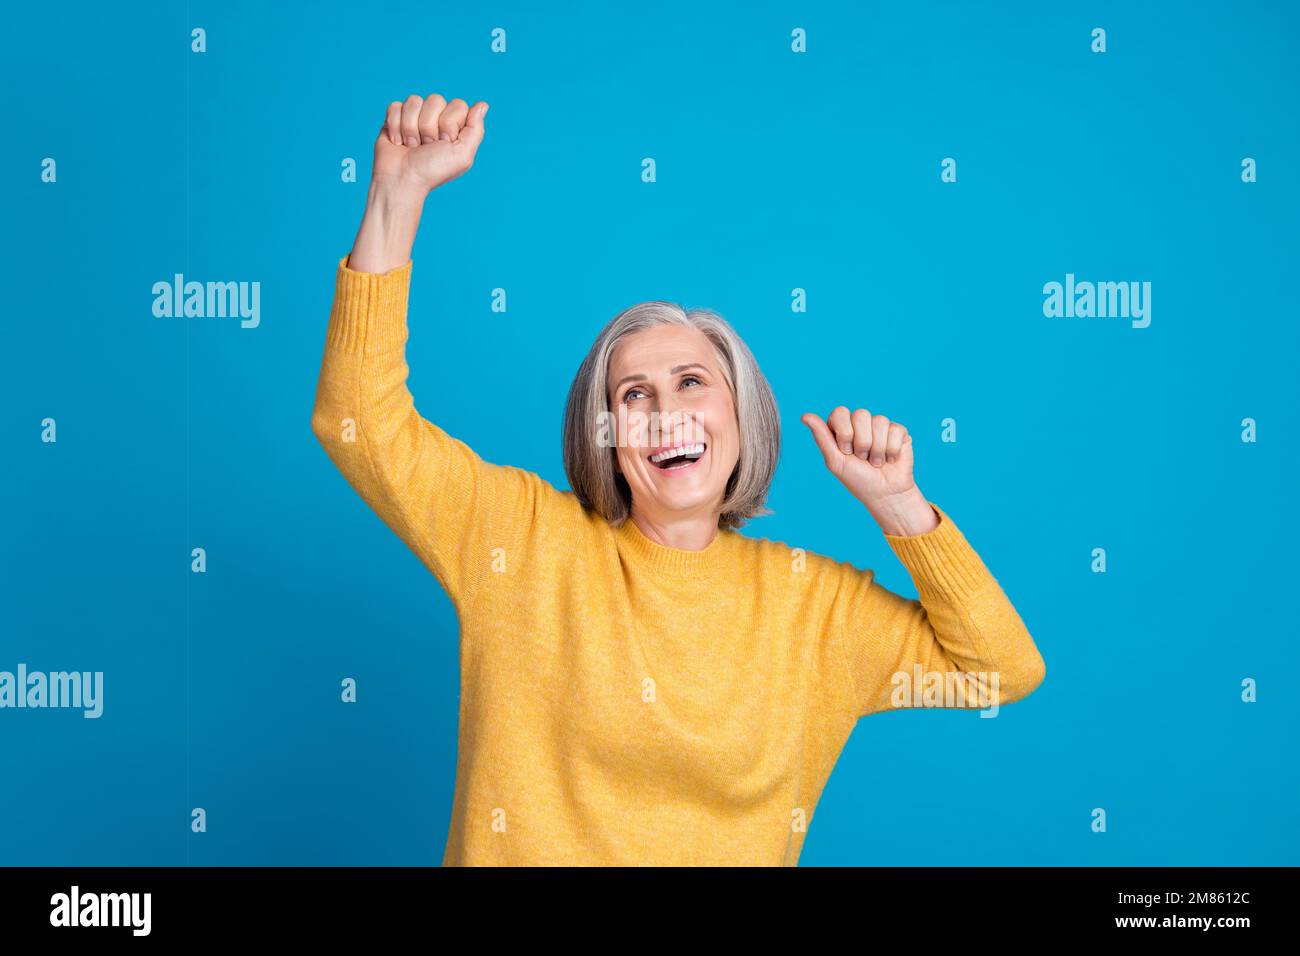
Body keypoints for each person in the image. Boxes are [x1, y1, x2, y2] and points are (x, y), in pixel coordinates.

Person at [311, 92, 1046, 866]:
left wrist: (902, 508)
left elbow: (996, 671)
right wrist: (397, 197)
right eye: (634, 395)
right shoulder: (518, 542)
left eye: (692, 381)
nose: (667, 413)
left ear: (742, 414)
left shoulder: (815, 608)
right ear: (606, 434)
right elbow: (357, 420)